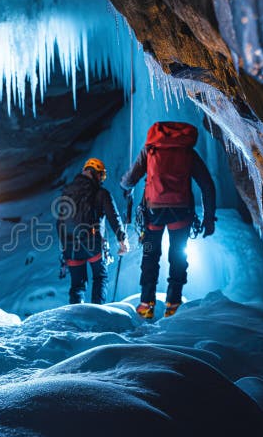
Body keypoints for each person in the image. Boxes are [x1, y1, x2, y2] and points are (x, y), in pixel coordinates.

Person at [120, 121, 216, 319]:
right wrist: (208, 219)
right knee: (178, 255)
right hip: (181, 213)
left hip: (153, 213)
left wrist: (125, 186)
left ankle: (146, 304)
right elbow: (207, 185)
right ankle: (173, 303)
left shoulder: (150, 150)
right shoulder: (187, 152)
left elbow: (130, 179)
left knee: (149, 255)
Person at [57, 158, 129, 304]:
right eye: (101, 175)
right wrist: (122, 239)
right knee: (100, 278)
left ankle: (75, 321)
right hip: (93, 244)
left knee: (77, 286)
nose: (101, 179)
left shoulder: (67, 192)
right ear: (96, 174)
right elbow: (113, 217)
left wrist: (64, 247)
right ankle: (97, 317)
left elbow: (59, 222)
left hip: (70, 246)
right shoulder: (101, 193)